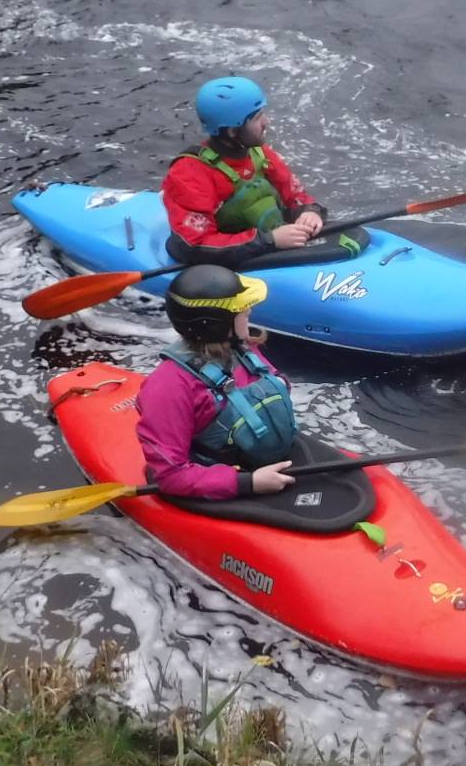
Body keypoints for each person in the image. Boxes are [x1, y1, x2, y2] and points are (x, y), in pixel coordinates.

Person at [135, 264, 298, 500]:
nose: (249, 310)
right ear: (216, 323)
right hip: (226, 475)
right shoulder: (169, 387)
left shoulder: (244, 351)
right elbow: (171, 475)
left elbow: (277, 384)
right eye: (242, 308)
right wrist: (248, 483)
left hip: (265, 452)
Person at [161, 76, 327, 267]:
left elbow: (296, 196)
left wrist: (310, 213)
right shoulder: (189, 174)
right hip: (226, 264)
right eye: (257, 118)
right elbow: (194, 246)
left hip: (268, 248)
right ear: (232, 131)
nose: (267, 121)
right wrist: (269, 241)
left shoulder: (259, 153)